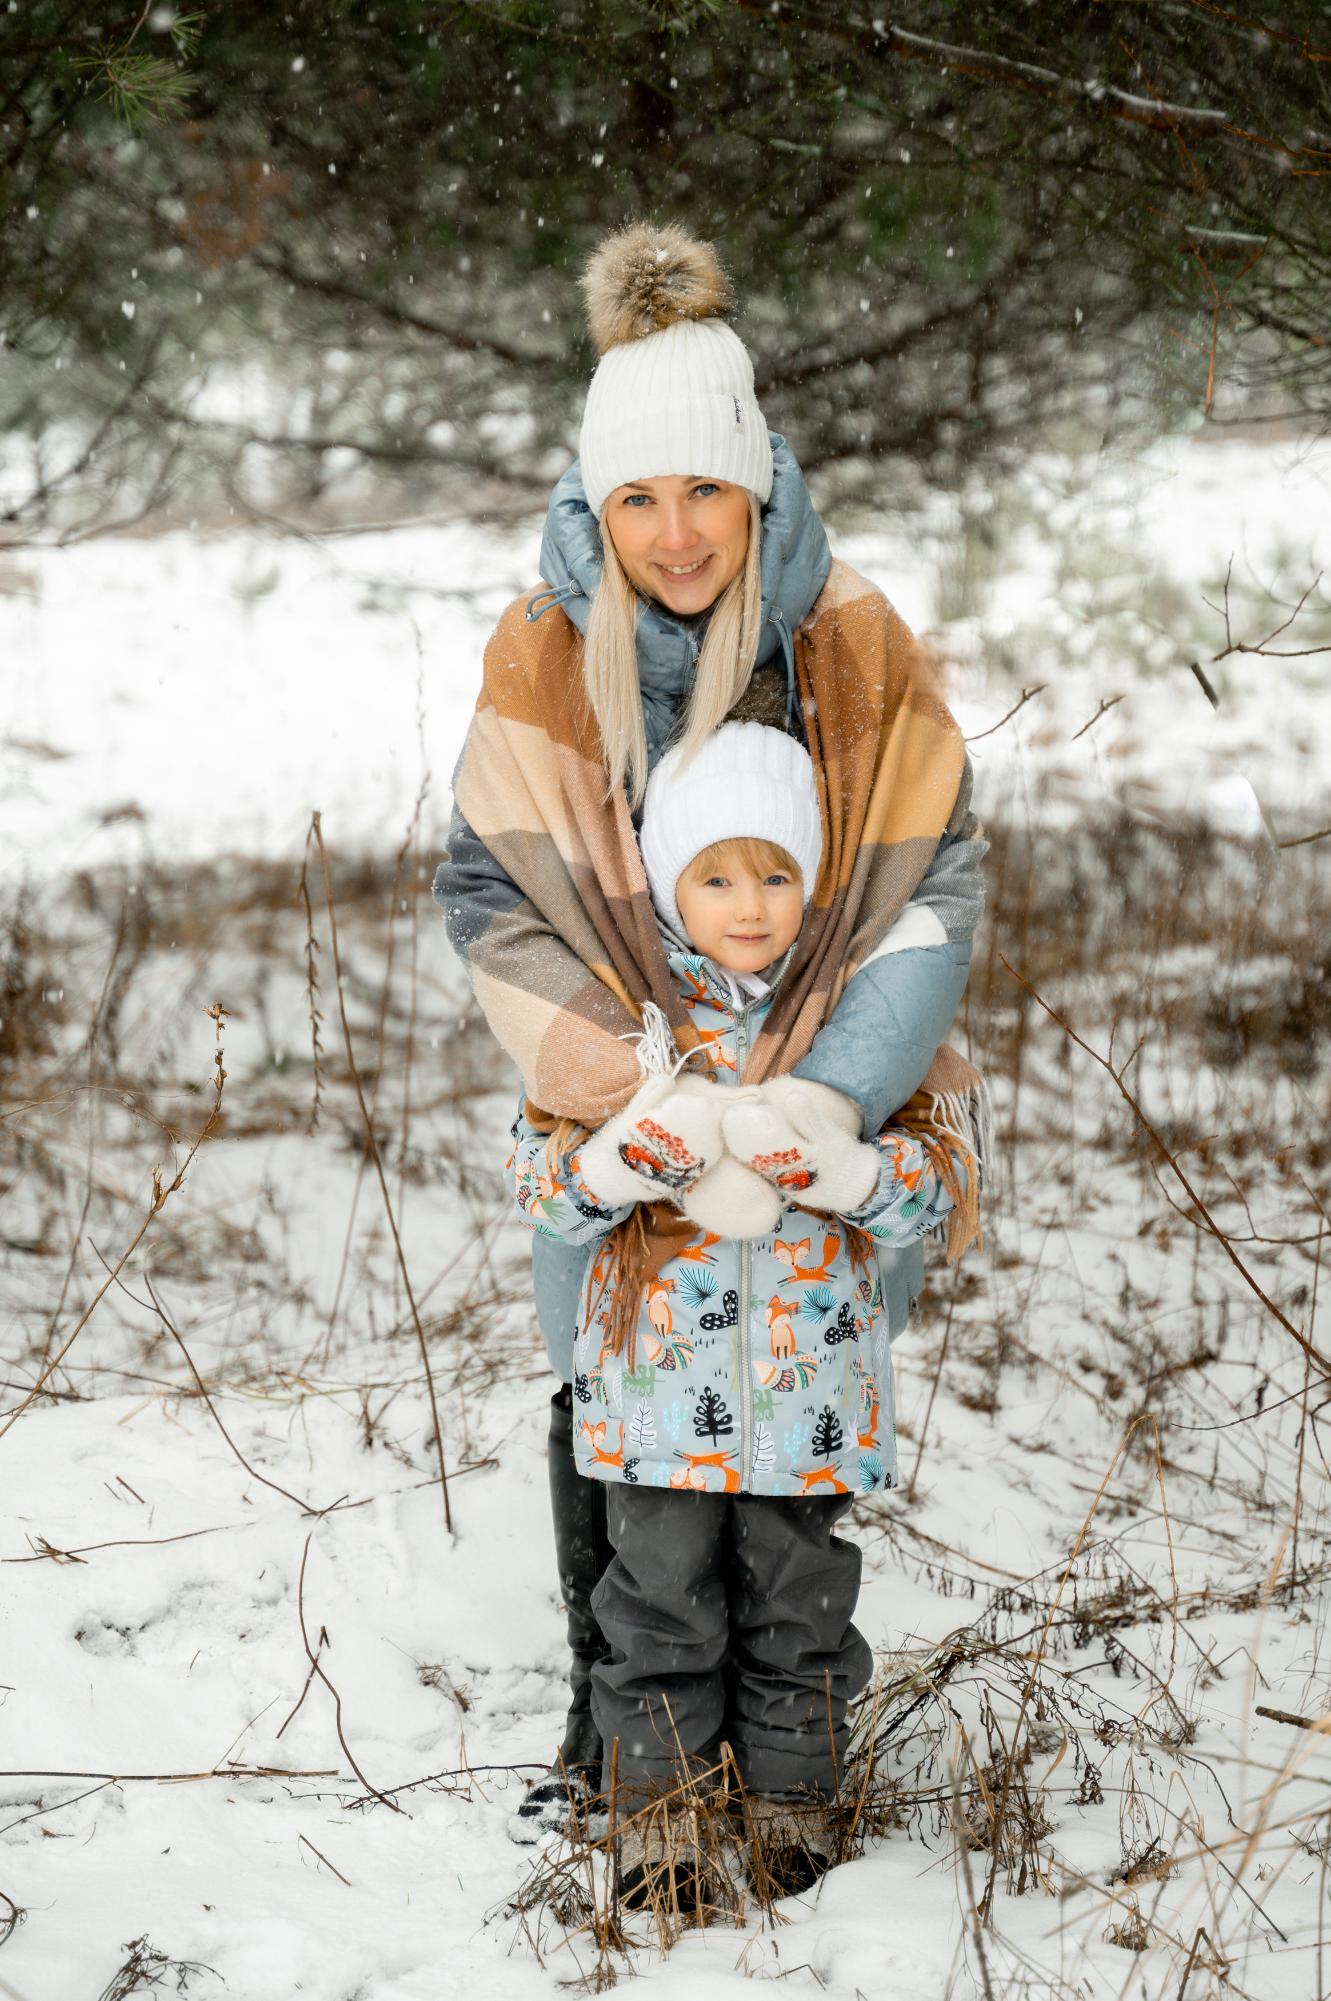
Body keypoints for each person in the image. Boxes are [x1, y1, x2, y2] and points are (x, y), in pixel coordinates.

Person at [432, 221, 986, 1851]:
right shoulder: (546, 647)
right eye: (637, 500)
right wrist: (633, 1092)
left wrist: (821, 1098)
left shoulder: (848, 638)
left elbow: (931, 873)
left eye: (703, 492)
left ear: (756, 484)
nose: (674, 534)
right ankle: (623, 1738)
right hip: (633, 1102)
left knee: (788, 1427)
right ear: (595, 504)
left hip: (819, 1100)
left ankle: (788, 1758)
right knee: (618, 1390)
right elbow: (492, 883)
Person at [504, 722, 977, 1904]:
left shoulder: (854, 1020)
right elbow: (539, 1187)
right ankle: (659, 1819)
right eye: (714, 876)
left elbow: (938, 1182)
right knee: (655, 1612)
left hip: (807, 1396)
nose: (750, 903)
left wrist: (848, 1171)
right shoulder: (626, 1026)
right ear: (668, 882)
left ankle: (792, 1807)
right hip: (654, 1399)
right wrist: (619, 1164)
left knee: (797, 1612)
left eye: (775, 872)